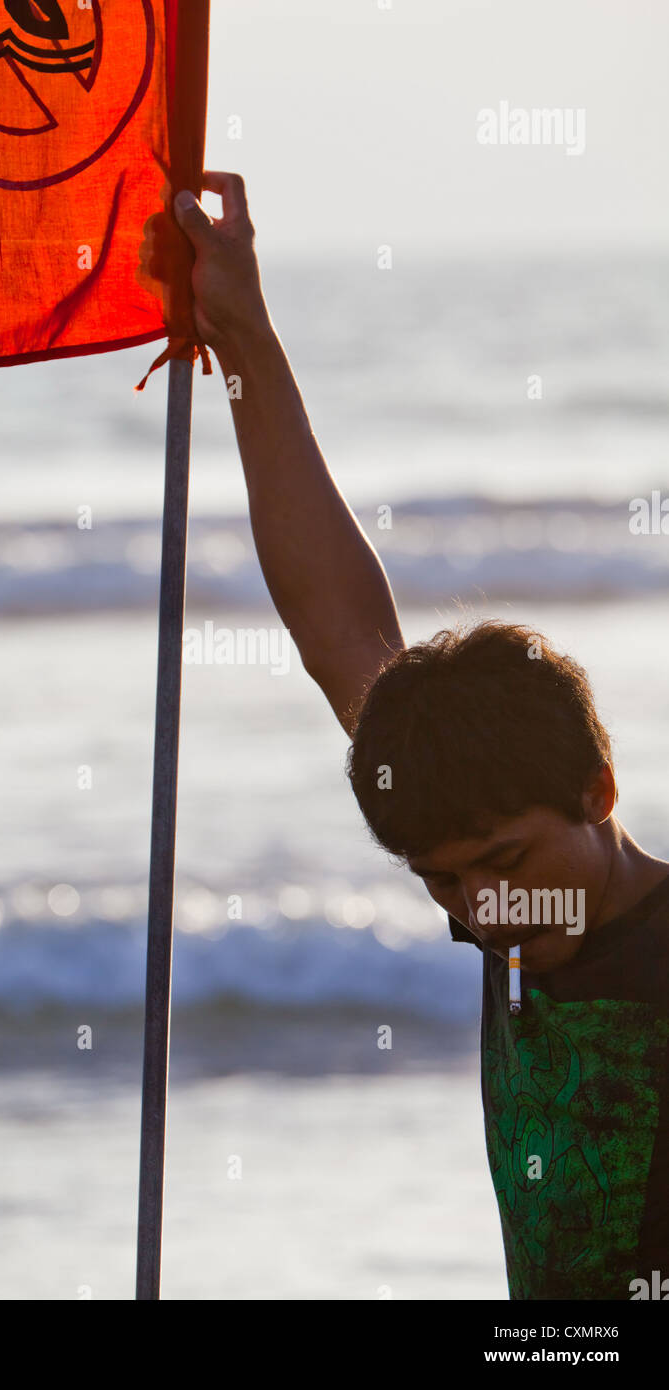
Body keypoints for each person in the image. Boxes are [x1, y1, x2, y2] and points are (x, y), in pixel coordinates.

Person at [171, 173, 669, 1301]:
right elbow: (338, 626)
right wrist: (239, 327)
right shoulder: (482, 848)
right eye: (440, 885)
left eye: (501, 867)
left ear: (597, 788)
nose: (480, 915)